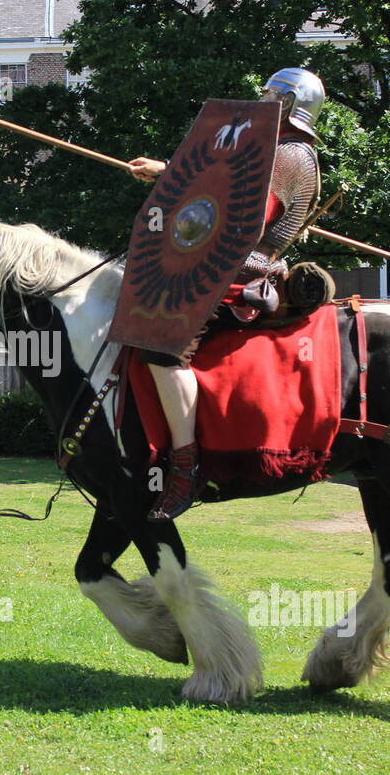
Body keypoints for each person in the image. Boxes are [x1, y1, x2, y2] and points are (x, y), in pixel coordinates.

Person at [127, 67, 333, 521]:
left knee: (163, 348)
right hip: (221, 269)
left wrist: (176, 188)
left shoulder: (288, 155)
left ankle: (184, 465)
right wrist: (168, 173)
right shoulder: (264, 148)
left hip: (240, 275)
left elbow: (241, 218)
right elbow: (216, 187)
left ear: (288, 106)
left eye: (270, 97)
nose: (260, 103)